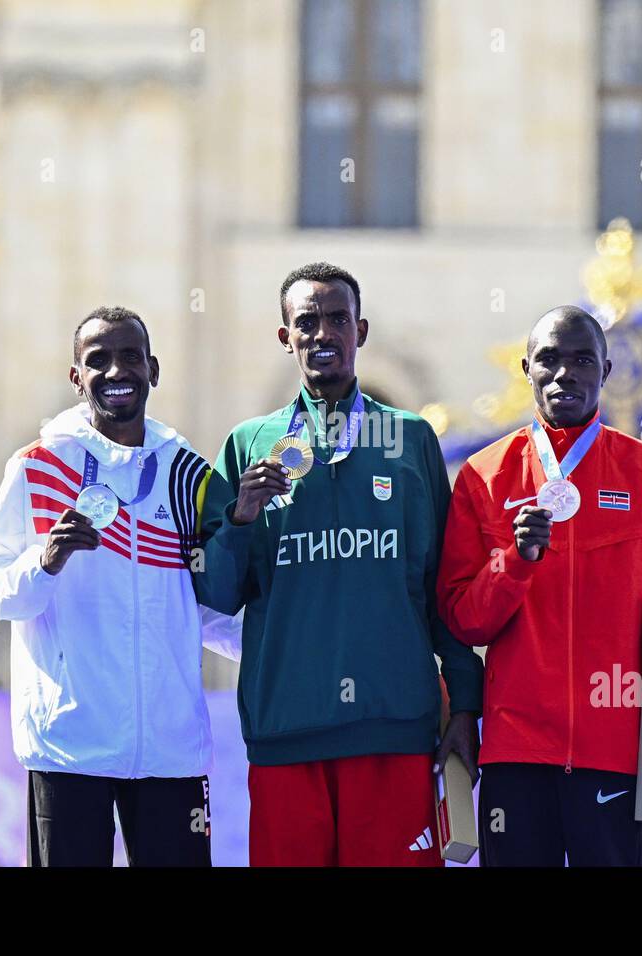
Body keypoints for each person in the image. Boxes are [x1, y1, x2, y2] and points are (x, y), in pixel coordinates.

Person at [193, 262, 483, 866]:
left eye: (337, 319)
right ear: (285, 336)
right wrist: (242, 518)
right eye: (306, 321)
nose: (322, 333)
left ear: (361, 330)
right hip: (286, 731)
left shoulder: (410, 439)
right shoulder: (249, 444)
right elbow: (215, 593)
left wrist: (465, 706)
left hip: (395, 728)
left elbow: (443, 587)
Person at [436, 305, 642, 866]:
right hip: (515, 758)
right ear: (526, 368)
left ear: (606, 371)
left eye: (582, 360)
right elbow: (463, 620)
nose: (565, 373)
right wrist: (514, 560)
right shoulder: (483, 476)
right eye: (549, 359)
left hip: (615, 757)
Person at [0, 306, 239, 867]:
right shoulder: (36, 467)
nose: (116, 371)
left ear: (153, 370)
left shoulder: (189, 474)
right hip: (70, 744)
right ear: (76, 377)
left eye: (130, 357)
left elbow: (210, 609)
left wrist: (278, 648)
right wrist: (44, 561)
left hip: (170, 748)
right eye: (98, 360)